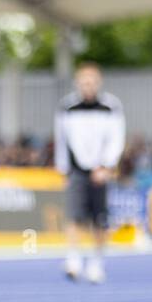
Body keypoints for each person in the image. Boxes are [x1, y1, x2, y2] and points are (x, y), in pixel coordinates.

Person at [54, 62, 126, 283]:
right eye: (84, 82)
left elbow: (116, 139)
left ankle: (96, 263)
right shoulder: (67, 107)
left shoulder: (111, 106)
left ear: (98, 83)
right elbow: (61, 139)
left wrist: (106, 166)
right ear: (78, 83)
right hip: (76, 169)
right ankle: (73, 259)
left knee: (99, 219)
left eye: (92, 81)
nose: (88, 86)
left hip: (100, 171)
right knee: (74, 216)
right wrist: (63, 167)